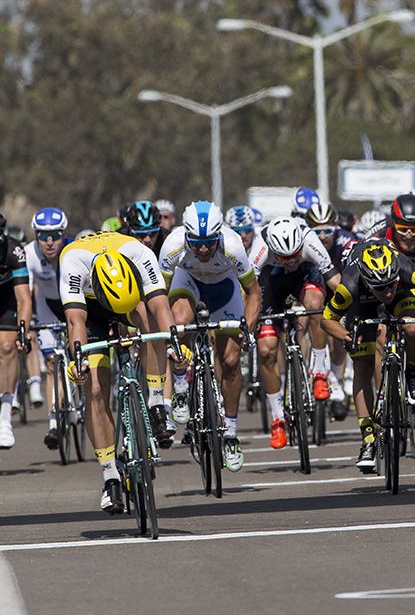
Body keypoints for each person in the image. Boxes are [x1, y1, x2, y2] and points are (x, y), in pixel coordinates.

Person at [59, 230, 179, 512]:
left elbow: (162, 308)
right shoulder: (72, 262)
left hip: (131, 300)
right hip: (91, 312)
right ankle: (110, 475)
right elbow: (76, 322)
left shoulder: (139, 253)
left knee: (148, 318)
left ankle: (156, 399)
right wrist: (79, 364)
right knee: (96, 388)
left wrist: (174, 346)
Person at [320, 239, 415, 472]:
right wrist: (346, 335)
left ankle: (412, 372)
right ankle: (368, 439)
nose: (387, 291)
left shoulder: (406, 270)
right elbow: (326, 319)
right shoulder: (349, 284)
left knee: (413, 328)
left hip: (405, 297)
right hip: (362, 306)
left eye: (390, 284)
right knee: (362, 364)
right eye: (381, 288)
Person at [159, 201, 261, 471]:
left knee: (229, 361)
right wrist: (167, 336)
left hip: (223, 292)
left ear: (219, 235)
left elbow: (253, 293)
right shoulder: (172, 246)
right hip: (187, 283)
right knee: (180, 322)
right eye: (196, 242)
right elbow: (158, 297)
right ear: (186, 236)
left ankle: (230, 433)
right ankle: (181, 388)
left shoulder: (233, 244)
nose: (203, 249)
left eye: (209, 242)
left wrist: (247, 330)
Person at [255, 216, 340, 449]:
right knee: (266, 349)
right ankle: (277, 419)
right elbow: (248, 290)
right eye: (284, 256)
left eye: (295, 254)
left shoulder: (310, 240)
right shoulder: (260, 247)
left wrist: (346, 311)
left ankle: (320, 372)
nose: (290, 260)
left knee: (315, 305)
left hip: (305, 276)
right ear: (273, 249)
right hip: (271, 282)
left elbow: (336, 283)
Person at [304, 202, 358, 419]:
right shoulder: (304, 243)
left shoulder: (346, 241)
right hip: (312, 287)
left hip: (339, 288)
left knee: (338, 332)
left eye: (328, 230)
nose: (323, 236)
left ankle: (335, 377)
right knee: (303, 321)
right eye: (317, 232)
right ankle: (304, 375)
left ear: (336, 227)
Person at [26, 208, 71, 448]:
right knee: (53, 364)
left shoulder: (72, 251)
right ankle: (54, 422)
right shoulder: (29, 254)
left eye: (55, 235)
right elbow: (25, 291)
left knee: (79, 359)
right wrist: (28, 321)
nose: (49, 242)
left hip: (72, 305)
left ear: (64, 234)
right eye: (43, 236)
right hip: (46, 306)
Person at [0, 213, 31, 449]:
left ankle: (5, 415)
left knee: (8, 346)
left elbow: (24, 299)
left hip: (7, 299)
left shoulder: (14, 250)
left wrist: (23, 331)